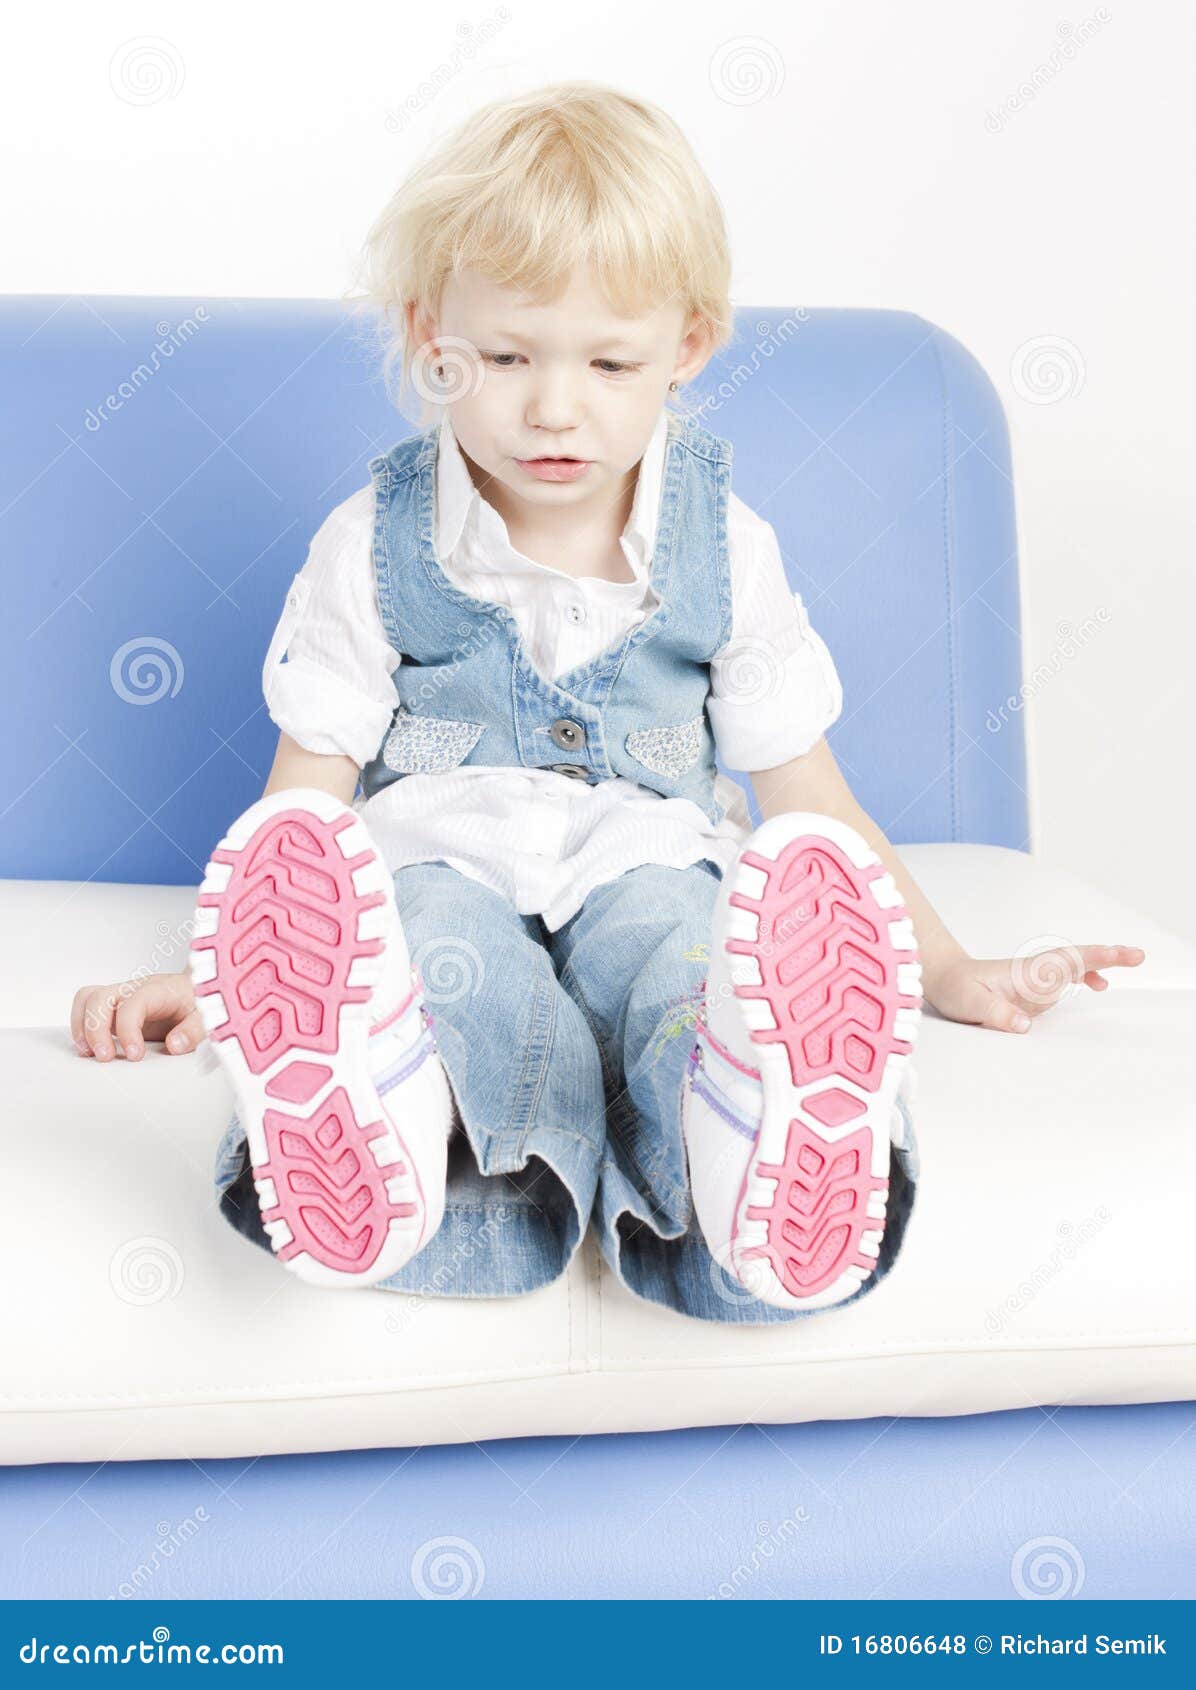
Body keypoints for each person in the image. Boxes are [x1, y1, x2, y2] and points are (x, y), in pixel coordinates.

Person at [68, 82, 1144, 1324]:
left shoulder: (724, 548)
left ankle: (751, 1137)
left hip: (650, 858)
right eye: (507, 356)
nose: (553, 406)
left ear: (685, 348)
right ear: (432, 339)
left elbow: (807, 800)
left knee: (685, 961)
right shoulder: (370, 544)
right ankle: (371, 1123)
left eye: (608, 361)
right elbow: (299, 821)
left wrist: (944, 969)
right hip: (437, 866)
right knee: (446, 971)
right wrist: (210, 979)